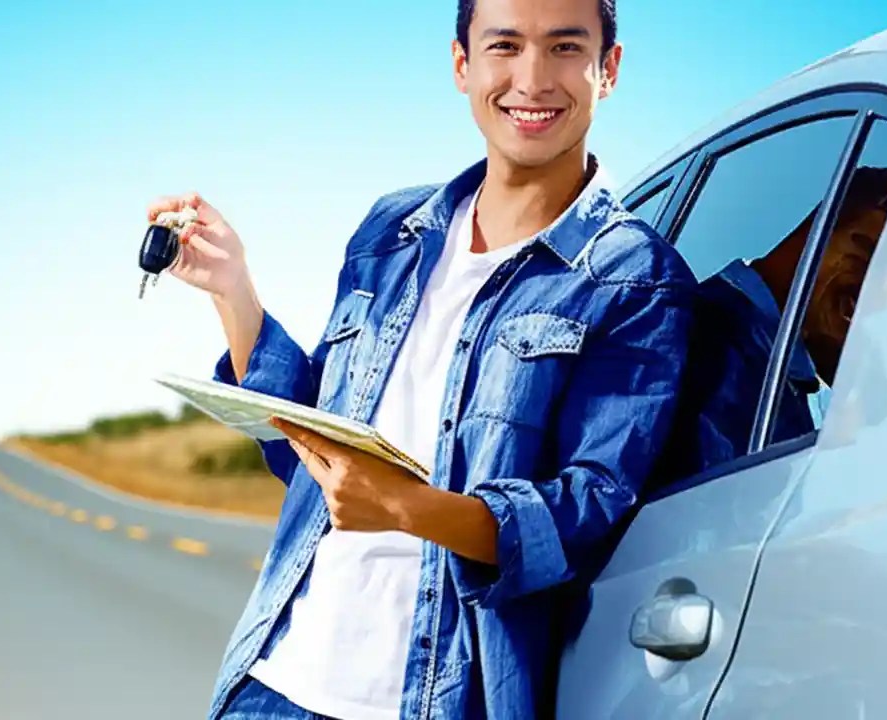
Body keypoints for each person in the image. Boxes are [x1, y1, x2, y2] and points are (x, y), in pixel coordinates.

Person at [148, 0, 695, 717]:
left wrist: (409, 508)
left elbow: (586, 512)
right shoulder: (391, 232)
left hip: (435, 697)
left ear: (608, 70)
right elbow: (311, 465)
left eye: (565, 48)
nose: (531, 79)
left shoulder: (635, 278)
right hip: (276, 679)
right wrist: (234, 290)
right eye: (504, 47)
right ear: (462, 65)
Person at [658, 165, 887, 482]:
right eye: (874, 259)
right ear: (816, 233)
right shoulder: (697, 338)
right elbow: (715, 516)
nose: (886, 298)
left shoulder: (782, 380)